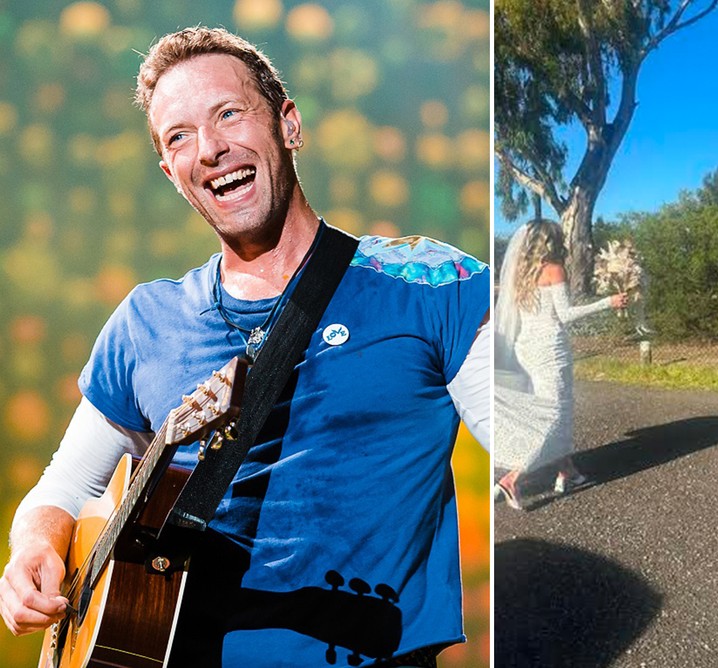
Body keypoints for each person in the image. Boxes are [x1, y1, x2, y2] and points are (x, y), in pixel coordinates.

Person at [0, 27, 489, 668]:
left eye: (229, 113)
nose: (209, 148)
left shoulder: (427, 285)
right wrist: (34, 546)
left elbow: (525, 449)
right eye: (179, 137)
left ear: (288, 124)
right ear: (170, 172)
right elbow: (63, 489)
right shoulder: (146, 320)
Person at [493, 219, 627, 510]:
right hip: (550, 351)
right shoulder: (554, 269)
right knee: (555, 415)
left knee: (548, 409)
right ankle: (512, 478)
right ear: (552, 241)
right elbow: (565, 315)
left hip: (525, 349)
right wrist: (608, 302)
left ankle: (568, 471)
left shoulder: (519, 273)